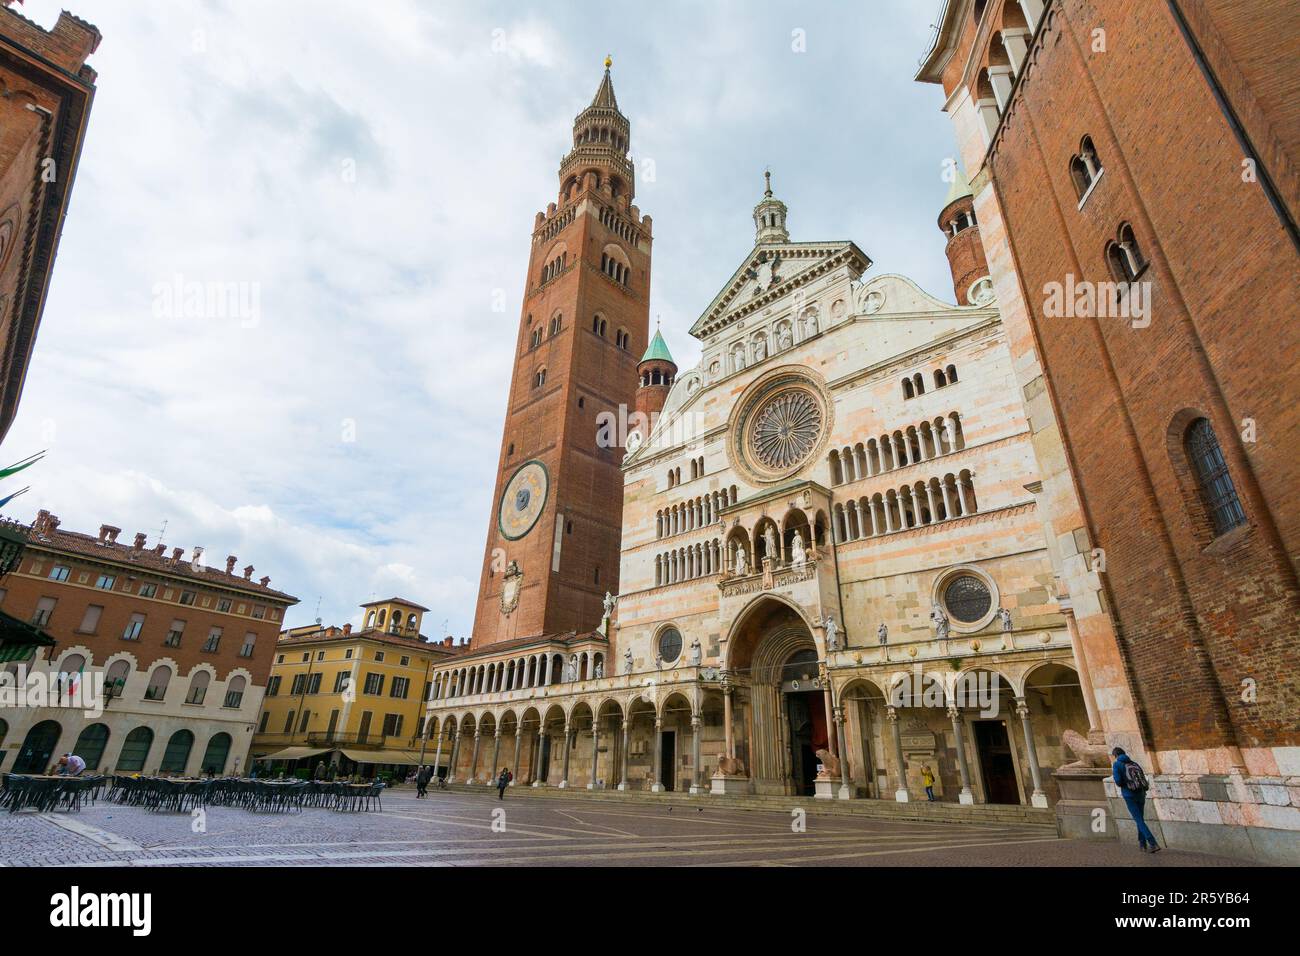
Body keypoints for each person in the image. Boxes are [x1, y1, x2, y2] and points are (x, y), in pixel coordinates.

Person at [1111, 747, 1160, 853]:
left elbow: (1118, 781)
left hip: (1129, 795)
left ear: (1115, 755)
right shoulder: (1134, 763)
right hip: (1141, 794)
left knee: (1138, 820)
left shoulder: (1117, 764)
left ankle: (1153, 843)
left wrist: (1125, 782)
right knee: (1140, 819)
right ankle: (1142, 844)